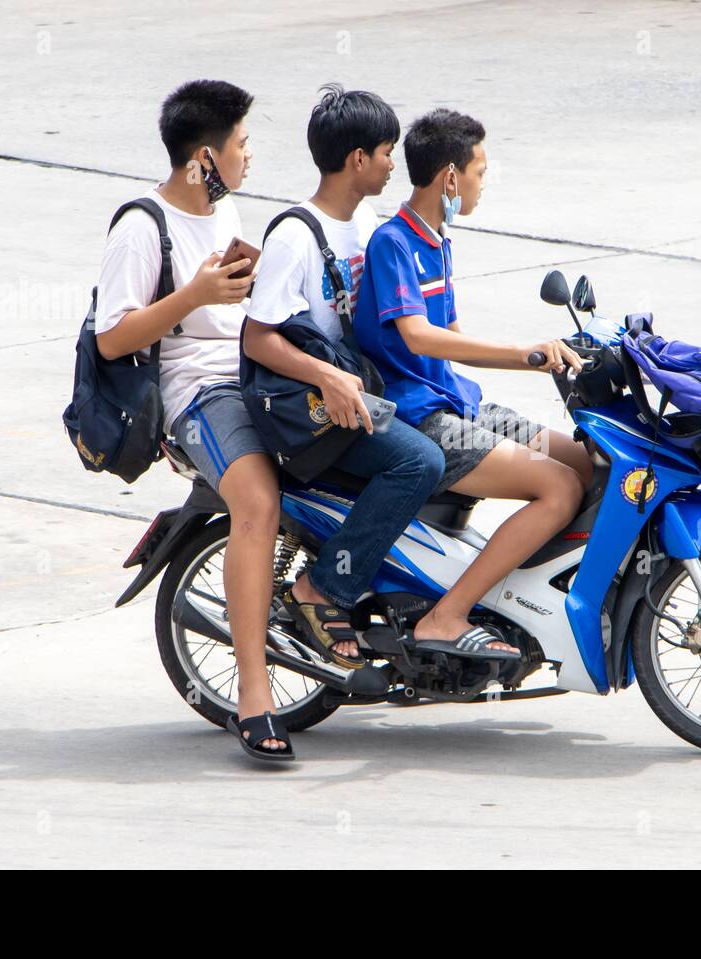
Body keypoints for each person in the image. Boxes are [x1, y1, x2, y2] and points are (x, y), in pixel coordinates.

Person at [94, 79, 293, 758]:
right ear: (201, 158)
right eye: (242, 143)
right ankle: (254, 693)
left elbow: (234, 303)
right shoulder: (140, 226)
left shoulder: (222, 211)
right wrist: (194, 293)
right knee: (257, 502)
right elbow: (113, 338)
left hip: (252, 374)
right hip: (196, 394)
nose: (250, 156)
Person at [353, 108, 593, 658]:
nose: (483, 184)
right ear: (451, 178)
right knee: (558, 488)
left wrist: (538, 353)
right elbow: (418, 337)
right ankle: (448, 615)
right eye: (480, 172)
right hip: (427, 420)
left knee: (591, 462)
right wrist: (522, 353)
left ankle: (532, 598)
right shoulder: (394, 242)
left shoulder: (437, 239)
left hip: (462, 405)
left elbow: (454, 335)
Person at [243, 86, 445, 670]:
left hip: (362, 392)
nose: (392, 164)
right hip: (312, 410)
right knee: (421, 461)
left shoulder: (364, 218)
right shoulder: (295, 237)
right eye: (386, 152)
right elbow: (259, 338)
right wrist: (327, 377)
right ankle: (322, 589)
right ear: (358, 159)